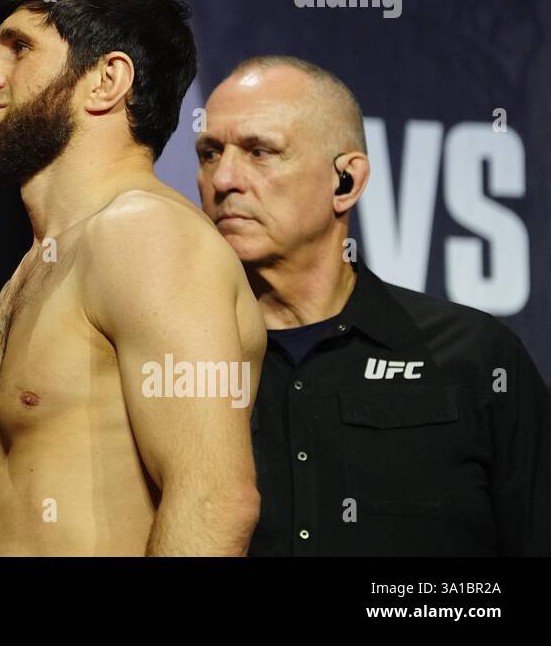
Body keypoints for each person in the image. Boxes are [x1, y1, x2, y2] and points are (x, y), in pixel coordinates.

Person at [0, 0, 265, 556]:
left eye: (19, 48)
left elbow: (215, 500)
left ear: (107, 80)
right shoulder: (39, 263)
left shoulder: (147, 235)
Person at [197, 55, 551, 555]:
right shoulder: (179, 364)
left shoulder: (476, 357)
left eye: (259, 151)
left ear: (346, 181)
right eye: (210, 152)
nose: (223, 179)